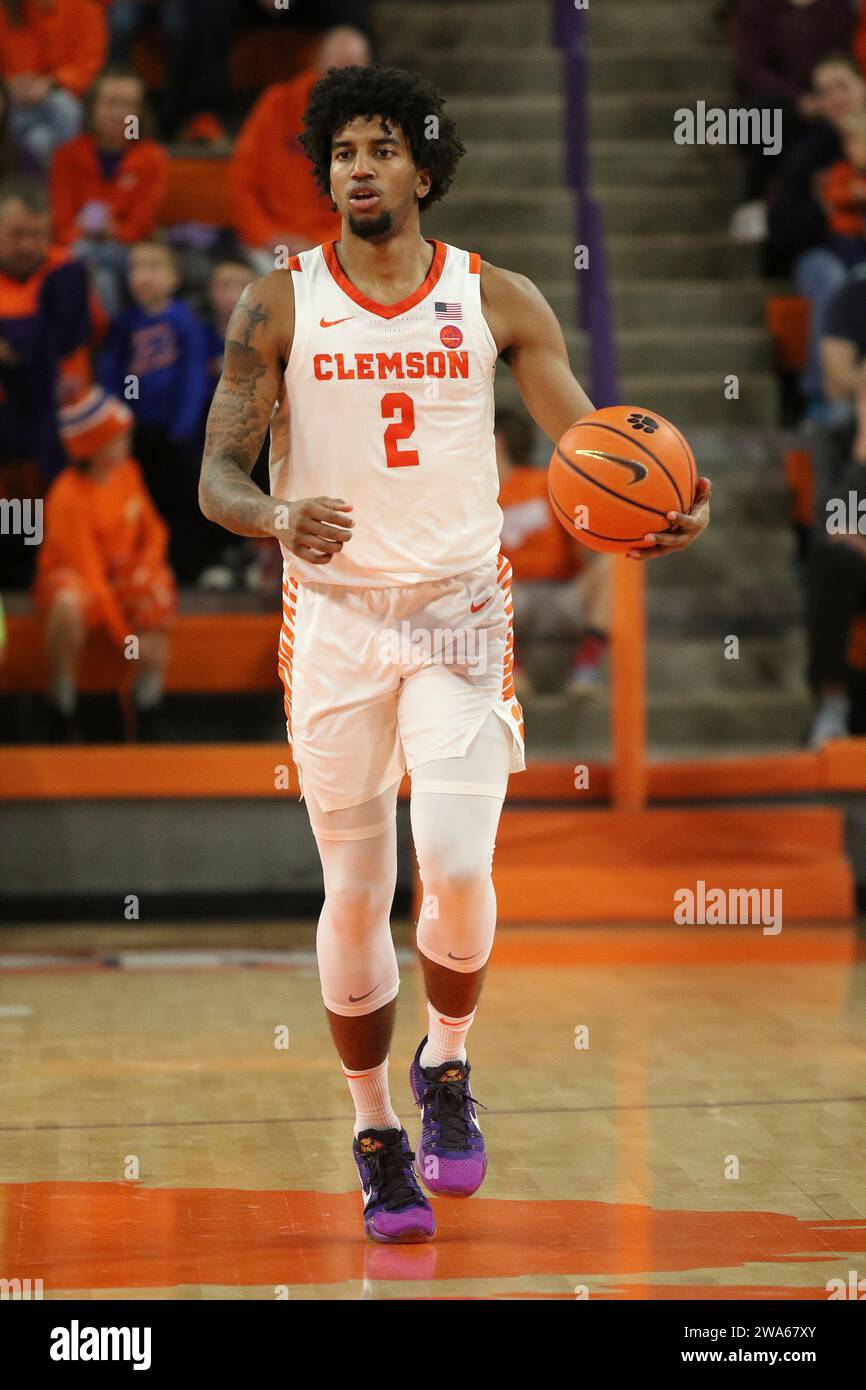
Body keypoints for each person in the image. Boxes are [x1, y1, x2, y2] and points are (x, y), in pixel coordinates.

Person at [198, 63, 712, 1244]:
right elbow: (217, 475)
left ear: (423, 170)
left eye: (380, 148)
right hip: (331, 619)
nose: (357, 168)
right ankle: (376, 1131)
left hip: (457, 615)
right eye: (341, 152)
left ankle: (449, 1062)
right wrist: (276, 516)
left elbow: (590, 447)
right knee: (354, 888)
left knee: (458, 864)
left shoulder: (497, 299)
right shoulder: (275, 302)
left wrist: (663, 504)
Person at [32, 385, 176, 741]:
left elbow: (154, 531)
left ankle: (148, 709)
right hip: (81, 583)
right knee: (69, 601)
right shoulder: (67, 496)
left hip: (119, 576)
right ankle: (61, 710)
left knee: (155, 587)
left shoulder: (127, 473)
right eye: (118, 438)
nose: (127, 442)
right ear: (96, 447)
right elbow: (89, 574)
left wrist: (147, 566)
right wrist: (123, 636)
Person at [98, 239, 209, 582]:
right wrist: (115, 423)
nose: (142, 276)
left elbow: (194, 375)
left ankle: (183, 569)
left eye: (153, 267)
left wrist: (184, 425)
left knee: (176, 501)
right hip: (134, 433)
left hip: (174, 433)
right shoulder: (124, 323)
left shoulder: (185, 322)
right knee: (136, 500)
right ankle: (133, 566)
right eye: (135, 268)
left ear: (174, 278)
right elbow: (110, 372)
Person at [0, 173, 92, 588]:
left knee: (43, 467)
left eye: (37, 234)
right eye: (16, 234)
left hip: (48, 408)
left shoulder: (66, 272)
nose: (26, 246)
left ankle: (45, 566)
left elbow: (68, 337)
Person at [767, 52, 866, 420]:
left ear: (862, 86)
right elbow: (780, 226)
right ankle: (826, 403)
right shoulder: (806, 151)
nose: (836, 97)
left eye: (842, 85)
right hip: (822, 253)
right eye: (825, 92)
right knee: (832, 280)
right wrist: (822, 210)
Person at [229, 26, 371, 277]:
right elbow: (241, 180)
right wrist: (265, 235)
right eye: (333, 70)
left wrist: (321, 245)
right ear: (316, 64)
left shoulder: (376, 126)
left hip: (339, 250)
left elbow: (375, 204)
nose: (342, 82)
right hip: (267, 246)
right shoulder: (278, 104)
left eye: (352, 71)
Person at [495, 406, 611, 694]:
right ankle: (511, 669)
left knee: (617, 564)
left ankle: (586, 666)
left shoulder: (546, 482)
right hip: (509, 599)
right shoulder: (470, 495)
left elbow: (584, 545)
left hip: (560, 593)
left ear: (496, 441)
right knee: (484, 577)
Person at [729, 0, 856, 241]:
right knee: (768, 115)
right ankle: (753, 200)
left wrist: (828, 96)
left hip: (825, 104)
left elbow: (843, 57)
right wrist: (800, 100)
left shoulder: (837, 8)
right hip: (772, 107)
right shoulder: (757, 7)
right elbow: (749, 68)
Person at [49, 64, 169, 317]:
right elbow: (60, 225)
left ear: (140, 113)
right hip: (79, 250)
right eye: (110, 103)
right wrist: (85, 232)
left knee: (90, 260)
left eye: (128, 105)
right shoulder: (67, 155)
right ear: (92, 107)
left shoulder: (152, 158)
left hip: (128, 254)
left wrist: (109, 230)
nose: (119, 113)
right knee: (99, 276)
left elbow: (141, 228)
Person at [0, 0, 107, 170]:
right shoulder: (8, 9)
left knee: (48, 128)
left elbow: (88, 67)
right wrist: (13, 83)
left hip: (68, 98)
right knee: (37, 137)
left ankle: (72, 174)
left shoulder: (84, 9)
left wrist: (51, 82)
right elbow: (10, 67)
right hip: (18, 102)